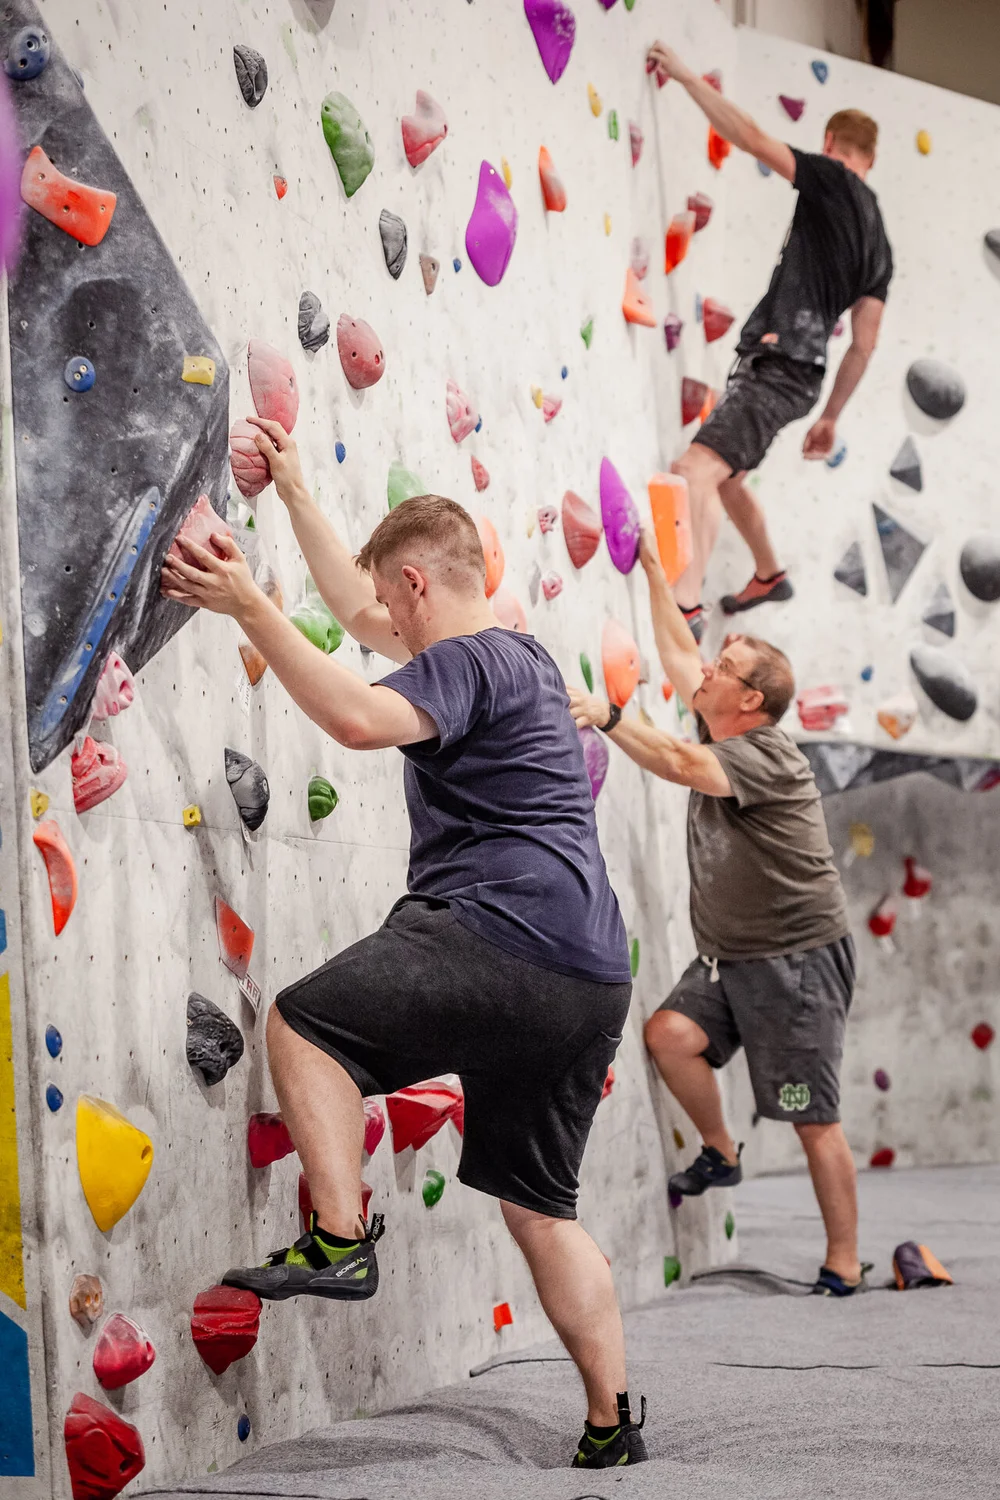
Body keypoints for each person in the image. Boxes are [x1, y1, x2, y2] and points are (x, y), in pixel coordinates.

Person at [160, 419, 647, 1469]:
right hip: (590, 972)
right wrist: (293, 493)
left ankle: (340, 1233)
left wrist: (246, 603)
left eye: (393, 597)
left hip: (504, 932)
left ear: (420, 585)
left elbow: (356, 718)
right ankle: (612, 1420)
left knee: (302, 1022)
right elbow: (351, 611)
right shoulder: (512, 654)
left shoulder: (465, 660)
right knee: (540, 1210)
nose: (378, 617)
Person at [569, 529, 863, 1296]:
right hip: (732, 958)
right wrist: (657, 574)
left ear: (752, 701)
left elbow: (676, 762)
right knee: (671, 1035)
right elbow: (677, 655)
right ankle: (720, 1151)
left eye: (724, 671)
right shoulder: (726, 722)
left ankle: (843, 1260)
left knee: (808, 1115)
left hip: (795, 965)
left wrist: (605, 713)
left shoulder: (764, 753)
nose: (707, 673)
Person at [647, 41, 894, 641]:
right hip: (804, 379)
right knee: (727, 476)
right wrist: (830, 415)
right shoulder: (880, 241)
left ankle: (686, 605)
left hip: (779, 363)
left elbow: (754, 138)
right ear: (873, 156)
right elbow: (863, 344)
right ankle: (769, 572)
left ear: (833, 145)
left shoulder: (833, 181)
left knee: (694, 469)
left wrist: (683, 75)